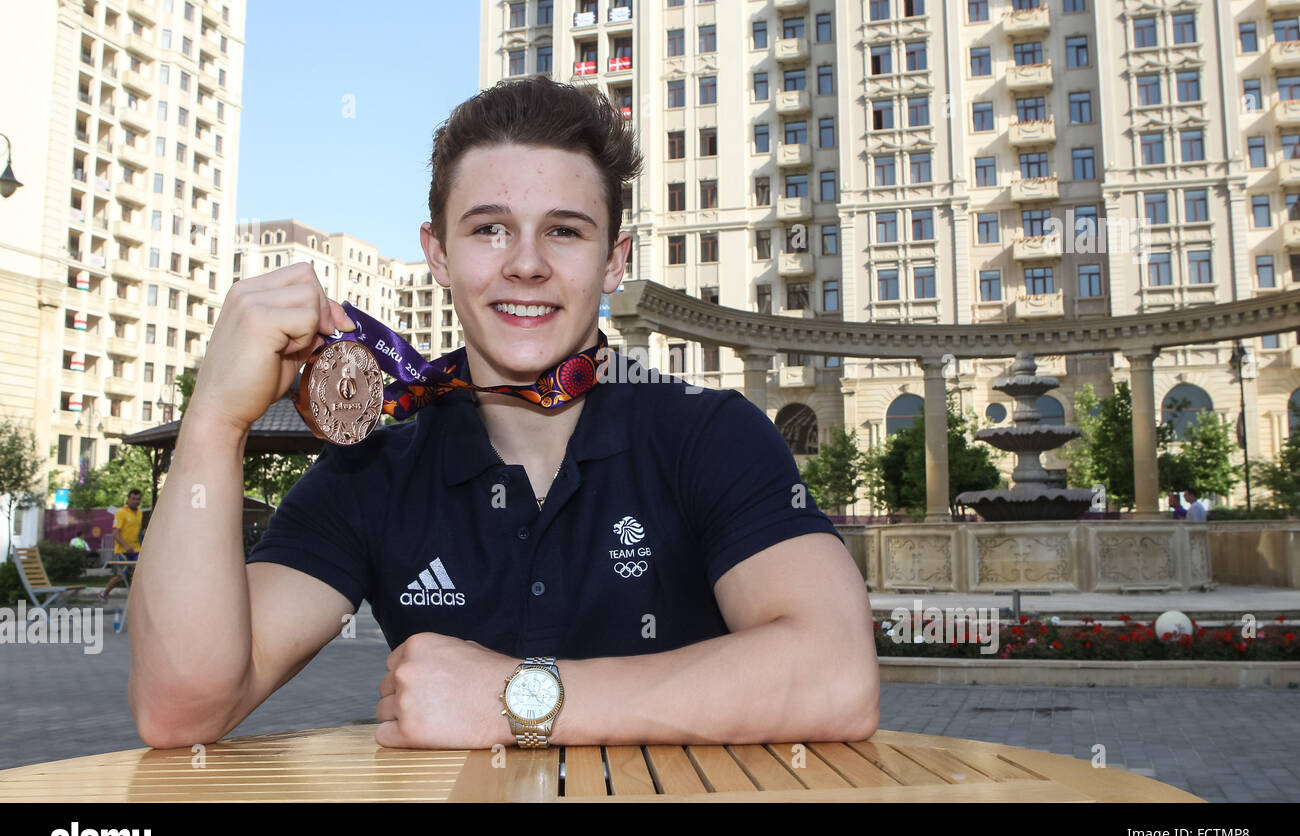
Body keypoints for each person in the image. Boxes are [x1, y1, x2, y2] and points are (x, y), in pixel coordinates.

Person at [128, 77, 878, 752]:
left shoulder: (709, 434)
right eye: (489, 228)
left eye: (564, 230)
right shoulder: (372, 474)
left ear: (613, 261)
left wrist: (519, 701)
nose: (525, 263)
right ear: (439, 253)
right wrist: (213, 424)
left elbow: (837, 674)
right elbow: (181, 711)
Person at [100, 489, 142, 600]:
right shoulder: (121, 512)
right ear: (128, 499)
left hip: (136, 549)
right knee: (121, 576)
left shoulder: (140, 513)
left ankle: (137, 598)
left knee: (142, 572)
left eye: (138, 499)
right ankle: (104, 594)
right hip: (123, 551)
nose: (136, 501)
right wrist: (126, 545)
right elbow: (115, 533)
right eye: (133, 499)